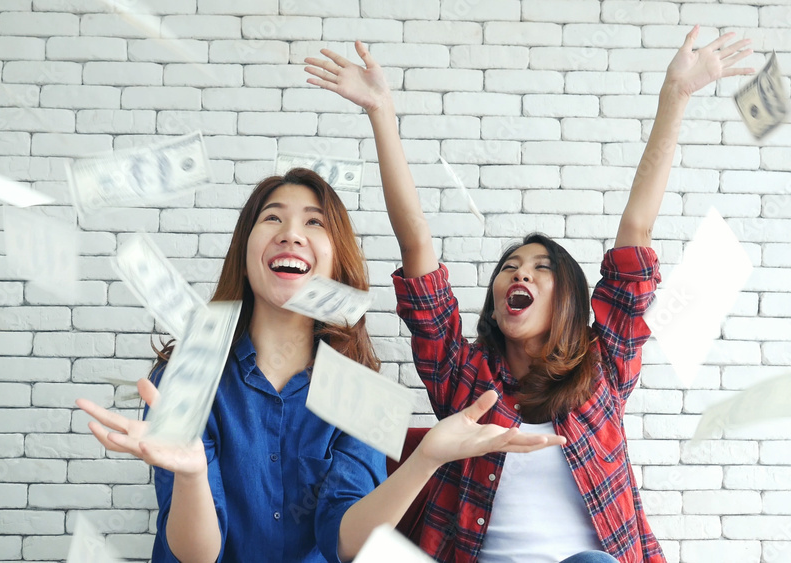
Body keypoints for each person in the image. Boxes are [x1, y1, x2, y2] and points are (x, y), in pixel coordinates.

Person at [304, 28, 753, 563]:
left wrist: (674, 96)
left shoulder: (603, 368)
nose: (520, 275)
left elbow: (637, 229)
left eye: (542, 269)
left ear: (569, 300)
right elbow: (416, 242)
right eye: (510, 268)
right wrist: (381, 112)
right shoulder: (464, 381)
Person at [77, 168, 565, 563]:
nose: (291, 233)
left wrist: (427, 457)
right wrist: (191, 475)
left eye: (314, 223)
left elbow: (346, 543)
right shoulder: (188, 373)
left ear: (336, 262)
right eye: (272, 219)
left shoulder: (362, 391)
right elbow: (197, 554)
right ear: (245, 250)